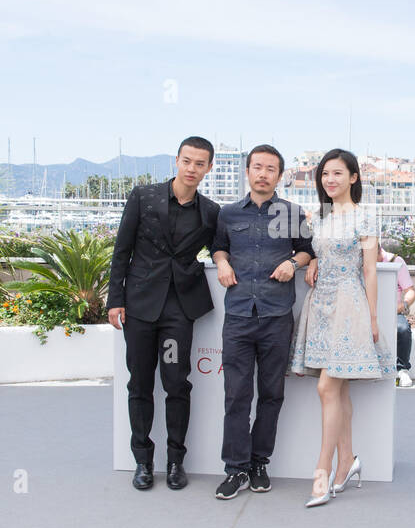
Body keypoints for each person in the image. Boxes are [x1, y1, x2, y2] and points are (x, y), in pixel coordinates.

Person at [106, 137, 220, 492]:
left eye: (199, 163)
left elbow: (222, 249)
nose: (192, 168)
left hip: (178, 310)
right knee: (139, 384)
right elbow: (122, 249)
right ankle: (142, 461)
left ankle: (175, 462)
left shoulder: (210, 211)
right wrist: (114, 299)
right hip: (139, 306)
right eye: (187, 161)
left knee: (176, 384)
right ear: (177, 160)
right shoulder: (144, 196)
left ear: (208, 168)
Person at [288, 148, 395, 508]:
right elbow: (318, 248)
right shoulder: (318, 218)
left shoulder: (365, 218)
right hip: (320, 305)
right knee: (339, 391)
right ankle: (348, 461)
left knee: (325, 388)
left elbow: (369, 270)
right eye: (325, 175)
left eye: (337, 173)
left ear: (353, 177)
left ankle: (323, 470)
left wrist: (374, 317)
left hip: (350, 305)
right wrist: (315, 259)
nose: (329, 180)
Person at [210, 144, 315, 500]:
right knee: (236, 395)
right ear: (248, 171)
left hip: (275, 316)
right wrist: (222, 262)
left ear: (279, 176)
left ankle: (259, 462)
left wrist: (294, 263)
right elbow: (218, 246)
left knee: (272, 394)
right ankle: (234, 469)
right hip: (239, 316)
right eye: (258, 167)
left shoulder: (291, 212)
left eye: (271, 169)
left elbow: (306, 249)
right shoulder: (228, 214)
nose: (263, 174)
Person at [379, 245, 415, 387]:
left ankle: (402, 369)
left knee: (402, 329)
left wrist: (403, 305)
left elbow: (411, 291)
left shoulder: (395, 260)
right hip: (367, 310)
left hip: (393, 311)